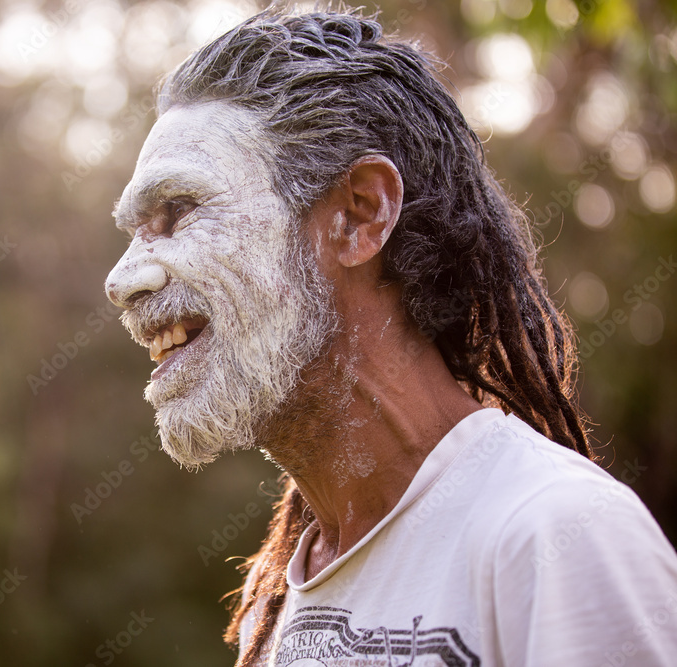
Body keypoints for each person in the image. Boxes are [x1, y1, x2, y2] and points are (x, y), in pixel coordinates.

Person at [105, 8, 677, 666]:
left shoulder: (555, 537)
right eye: (133, 231)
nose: (121, 281)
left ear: (359, 216)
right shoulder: (278, 606)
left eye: (178, 211)